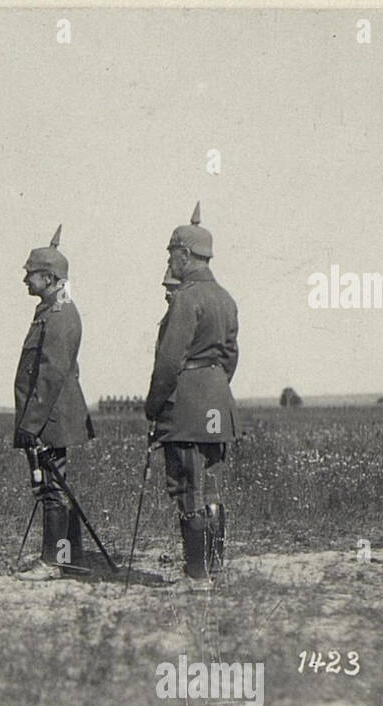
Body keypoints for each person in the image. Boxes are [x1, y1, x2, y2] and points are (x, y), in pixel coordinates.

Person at [145, 202, 239, 590]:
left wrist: (153, 405)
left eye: (171, 254)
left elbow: (169, 360)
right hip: (217, 401)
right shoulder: (225, 298)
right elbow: (231, 356)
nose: (170, 260)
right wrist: (213, 387)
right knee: (209, 485)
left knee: (188, 486)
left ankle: (196, 575)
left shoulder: (187, 297)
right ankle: (214, 567)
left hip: (186, 406)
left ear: (184, 255)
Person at [12, 225, 95, 580]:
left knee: (53, 488)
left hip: (52, 416)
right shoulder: (49, 311)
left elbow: (50, 374)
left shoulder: (60, 316)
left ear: (49, 277)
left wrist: (31, 424)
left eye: (30, 274)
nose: (25, 281)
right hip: (51, 414)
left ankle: (52, 562)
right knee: (57, 484)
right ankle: (70, 557)